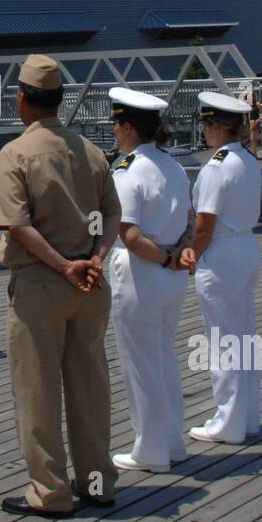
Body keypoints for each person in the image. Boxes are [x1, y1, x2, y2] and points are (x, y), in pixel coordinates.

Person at [0, 54, 121, 518]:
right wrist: (96, 258)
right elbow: (112, 213)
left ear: (22, 100)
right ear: (59, 99)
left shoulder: (14, 154)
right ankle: (98, 482)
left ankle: (50, 492)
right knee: (90, 386)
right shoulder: (91, 151)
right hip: (90, 283)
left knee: (37, 390)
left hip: (42, 285)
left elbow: (18, 226)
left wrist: (65, 266)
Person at [105, 87, 192, 473]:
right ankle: (173, 442)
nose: (113, 130)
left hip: (141, 274)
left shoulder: (127, 170)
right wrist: (177, 255)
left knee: (139, 361)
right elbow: (190, 221)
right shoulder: (173, 166)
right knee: (163, 355)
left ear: (127, 127)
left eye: (116, 123)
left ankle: (150, 450)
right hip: (173, 276)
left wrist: (165, 259)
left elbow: (130, 235)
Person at [180, 91, 262, 445]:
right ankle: (247, 417)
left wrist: (191, 255)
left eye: (206, 126)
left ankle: (227, 422)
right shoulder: (248, 159)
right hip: (246, 247)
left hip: (222, 254)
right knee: (243, 335)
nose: (204, 132)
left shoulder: (217, 166)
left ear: (215, 127)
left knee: (222, 340)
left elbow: (205, 225)